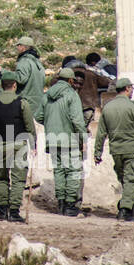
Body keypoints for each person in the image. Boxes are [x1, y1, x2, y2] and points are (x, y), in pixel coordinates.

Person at [93, 78, 134, 221]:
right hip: (132, 149)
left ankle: (133, 210)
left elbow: (101, 133)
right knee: (131, 179)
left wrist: (97, 153)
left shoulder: (108, 108)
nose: (132, 91)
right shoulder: (133, 107)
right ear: (127, 88)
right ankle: (124, 209)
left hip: (116, 150)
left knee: (125, 179)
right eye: (132, 88)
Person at [37, 68, 87, 217]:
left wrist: (51, 123)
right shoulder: (72, 95)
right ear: (71, 80)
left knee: (58, 171)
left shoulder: (47, 96)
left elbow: (39, 116)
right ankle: (70, 205)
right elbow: (77, 120)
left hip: (52, 140)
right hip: (69, 139)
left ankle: (61, 204)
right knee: (73, 171)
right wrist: (82, 137)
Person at [0, 70, 36, 222]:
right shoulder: (22, 103)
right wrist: (33, 145)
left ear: (2, 86)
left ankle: (2, 210)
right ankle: (14, 212)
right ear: (15, 85)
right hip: (18, 144)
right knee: (18, 179)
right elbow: (30, 127)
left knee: (1, 178)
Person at [12, 35, 46, 117]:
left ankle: (10, 131)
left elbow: (21, 79)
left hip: (26, 103)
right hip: (38, 104)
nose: (17, 48)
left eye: (18, 45)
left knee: (12, 126)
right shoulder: (38, 63)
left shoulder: (24, 61)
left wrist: (4, 72)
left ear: (23, 47)